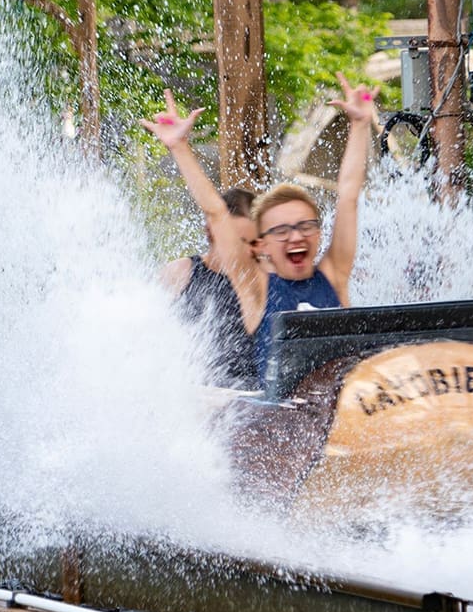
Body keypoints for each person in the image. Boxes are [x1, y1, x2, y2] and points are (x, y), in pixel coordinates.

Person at [141, 73, 376, 383]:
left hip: (340, 404)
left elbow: (348, 196)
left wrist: (359, 126)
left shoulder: (334, 275)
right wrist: (179, 148)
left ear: (319, 234)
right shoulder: (256, 289)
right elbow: (216, 213)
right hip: (283, 410)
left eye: (305, 226)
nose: (296, 236)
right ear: (262, 244)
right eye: (282, 230)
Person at [159, 188, 259, 389]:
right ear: (211, 230)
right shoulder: (180, 272)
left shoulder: (263, 282)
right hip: (198, 391)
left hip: (251, 394)